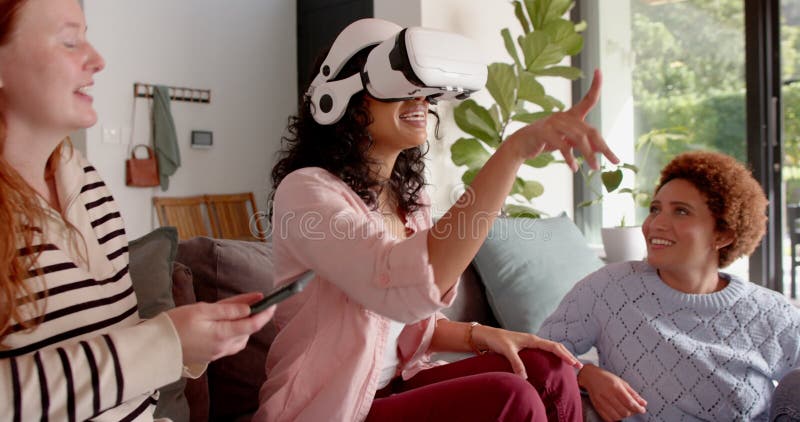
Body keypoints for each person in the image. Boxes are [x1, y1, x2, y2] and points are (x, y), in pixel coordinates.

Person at [255, 18, 619, 422]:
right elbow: (398, 285)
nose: (420, 101)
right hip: (336, 409)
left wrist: (484, 335)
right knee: (510, 396)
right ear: (342, 99)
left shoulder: (411, 200)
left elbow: (413, 325)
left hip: (399, 385)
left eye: (424, 91)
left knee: (547, 369)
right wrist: (514, 150)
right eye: (399, 87)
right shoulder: (306, 192)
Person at [0, 0, 275, 420]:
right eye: (70, 41)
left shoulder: (87, 183)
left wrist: (191, 344)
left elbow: (118, 351)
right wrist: (167, 345)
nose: (97, 59)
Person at [538, 150, 800, 421]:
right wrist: (585, 374)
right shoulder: (609, 288)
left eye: (681, 212)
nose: (656, 224)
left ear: (722, 234)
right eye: (655, 209)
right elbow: (537, 353)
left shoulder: (771, 311)